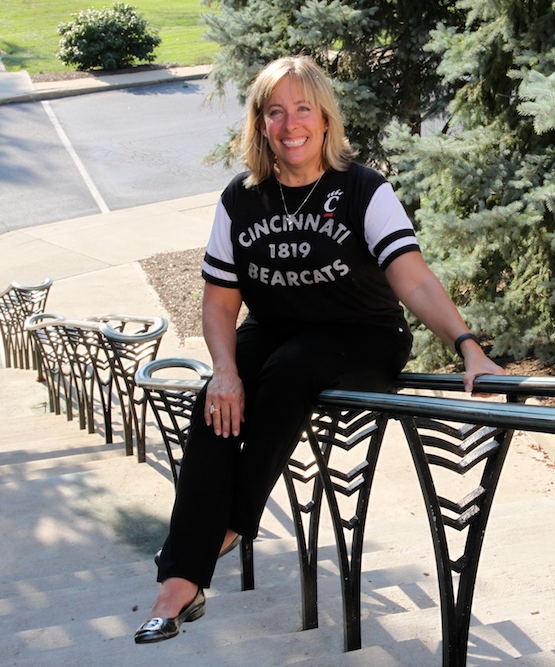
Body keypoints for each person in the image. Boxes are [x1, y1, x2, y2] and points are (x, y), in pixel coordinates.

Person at [134, 55, 504, 644]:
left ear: (325, 119)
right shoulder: (241, 199)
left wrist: (467, 347)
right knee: (215, 399)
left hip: (363, 335)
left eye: (303, 109)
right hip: (276, 328)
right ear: (260, 125)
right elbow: (220, 302)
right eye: (274, 112)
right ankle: (178, 582)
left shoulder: (363, 189)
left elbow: (413, 279)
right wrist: (225, 371)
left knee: (290, 370)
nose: (290, 124)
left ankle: (229, 526)